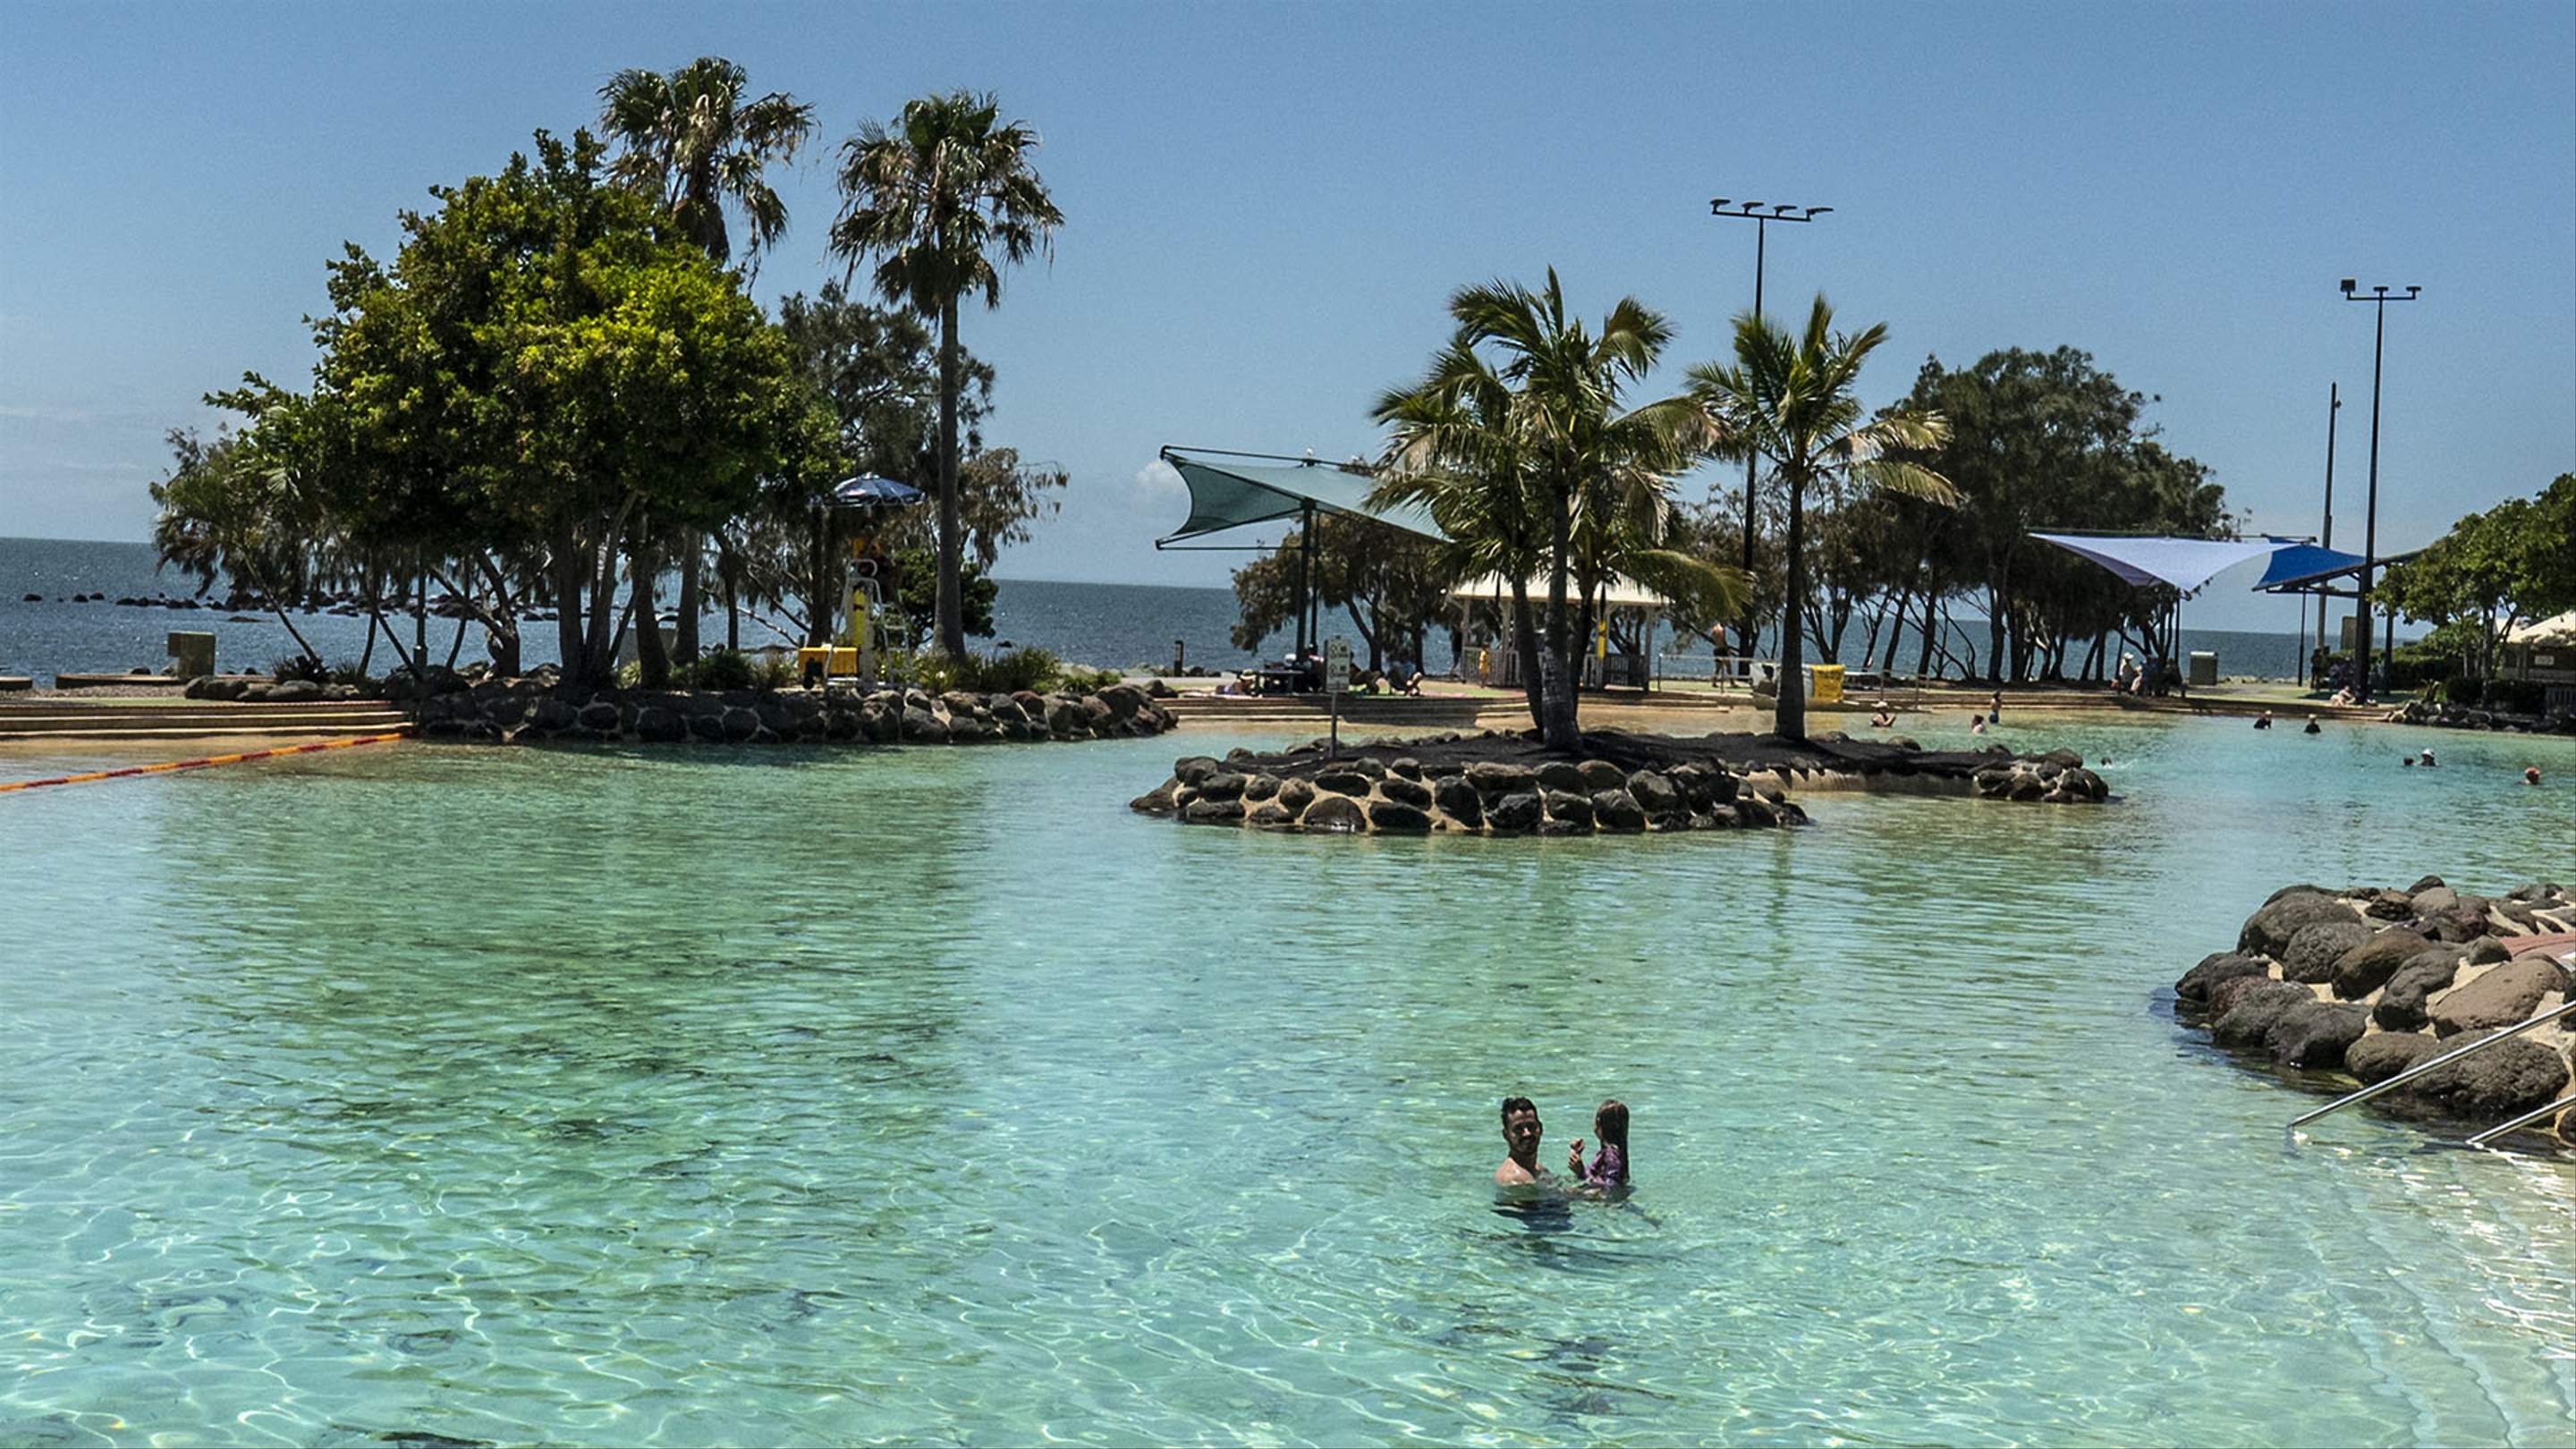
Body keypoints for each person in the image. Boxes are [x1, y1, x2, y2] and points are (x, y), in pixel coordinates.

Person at [1565, 1099, 1631, 1190]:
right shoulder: (1613, 1153)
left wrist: (1582, 1173)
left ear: (1600, 1125)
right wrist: (1576, 1154)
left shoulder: (1612, 1155)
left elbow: (1611, 1187)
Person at [1495, 1097, 1546, 1186]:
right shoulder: (1513, 1179)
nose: (1527, 1133)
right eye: (1518, 1129)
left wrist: (1578, 1170)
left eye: (1531, 1126)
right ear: (1506, 1135)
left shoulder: (1538, 1169)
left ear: (1541, 1129)